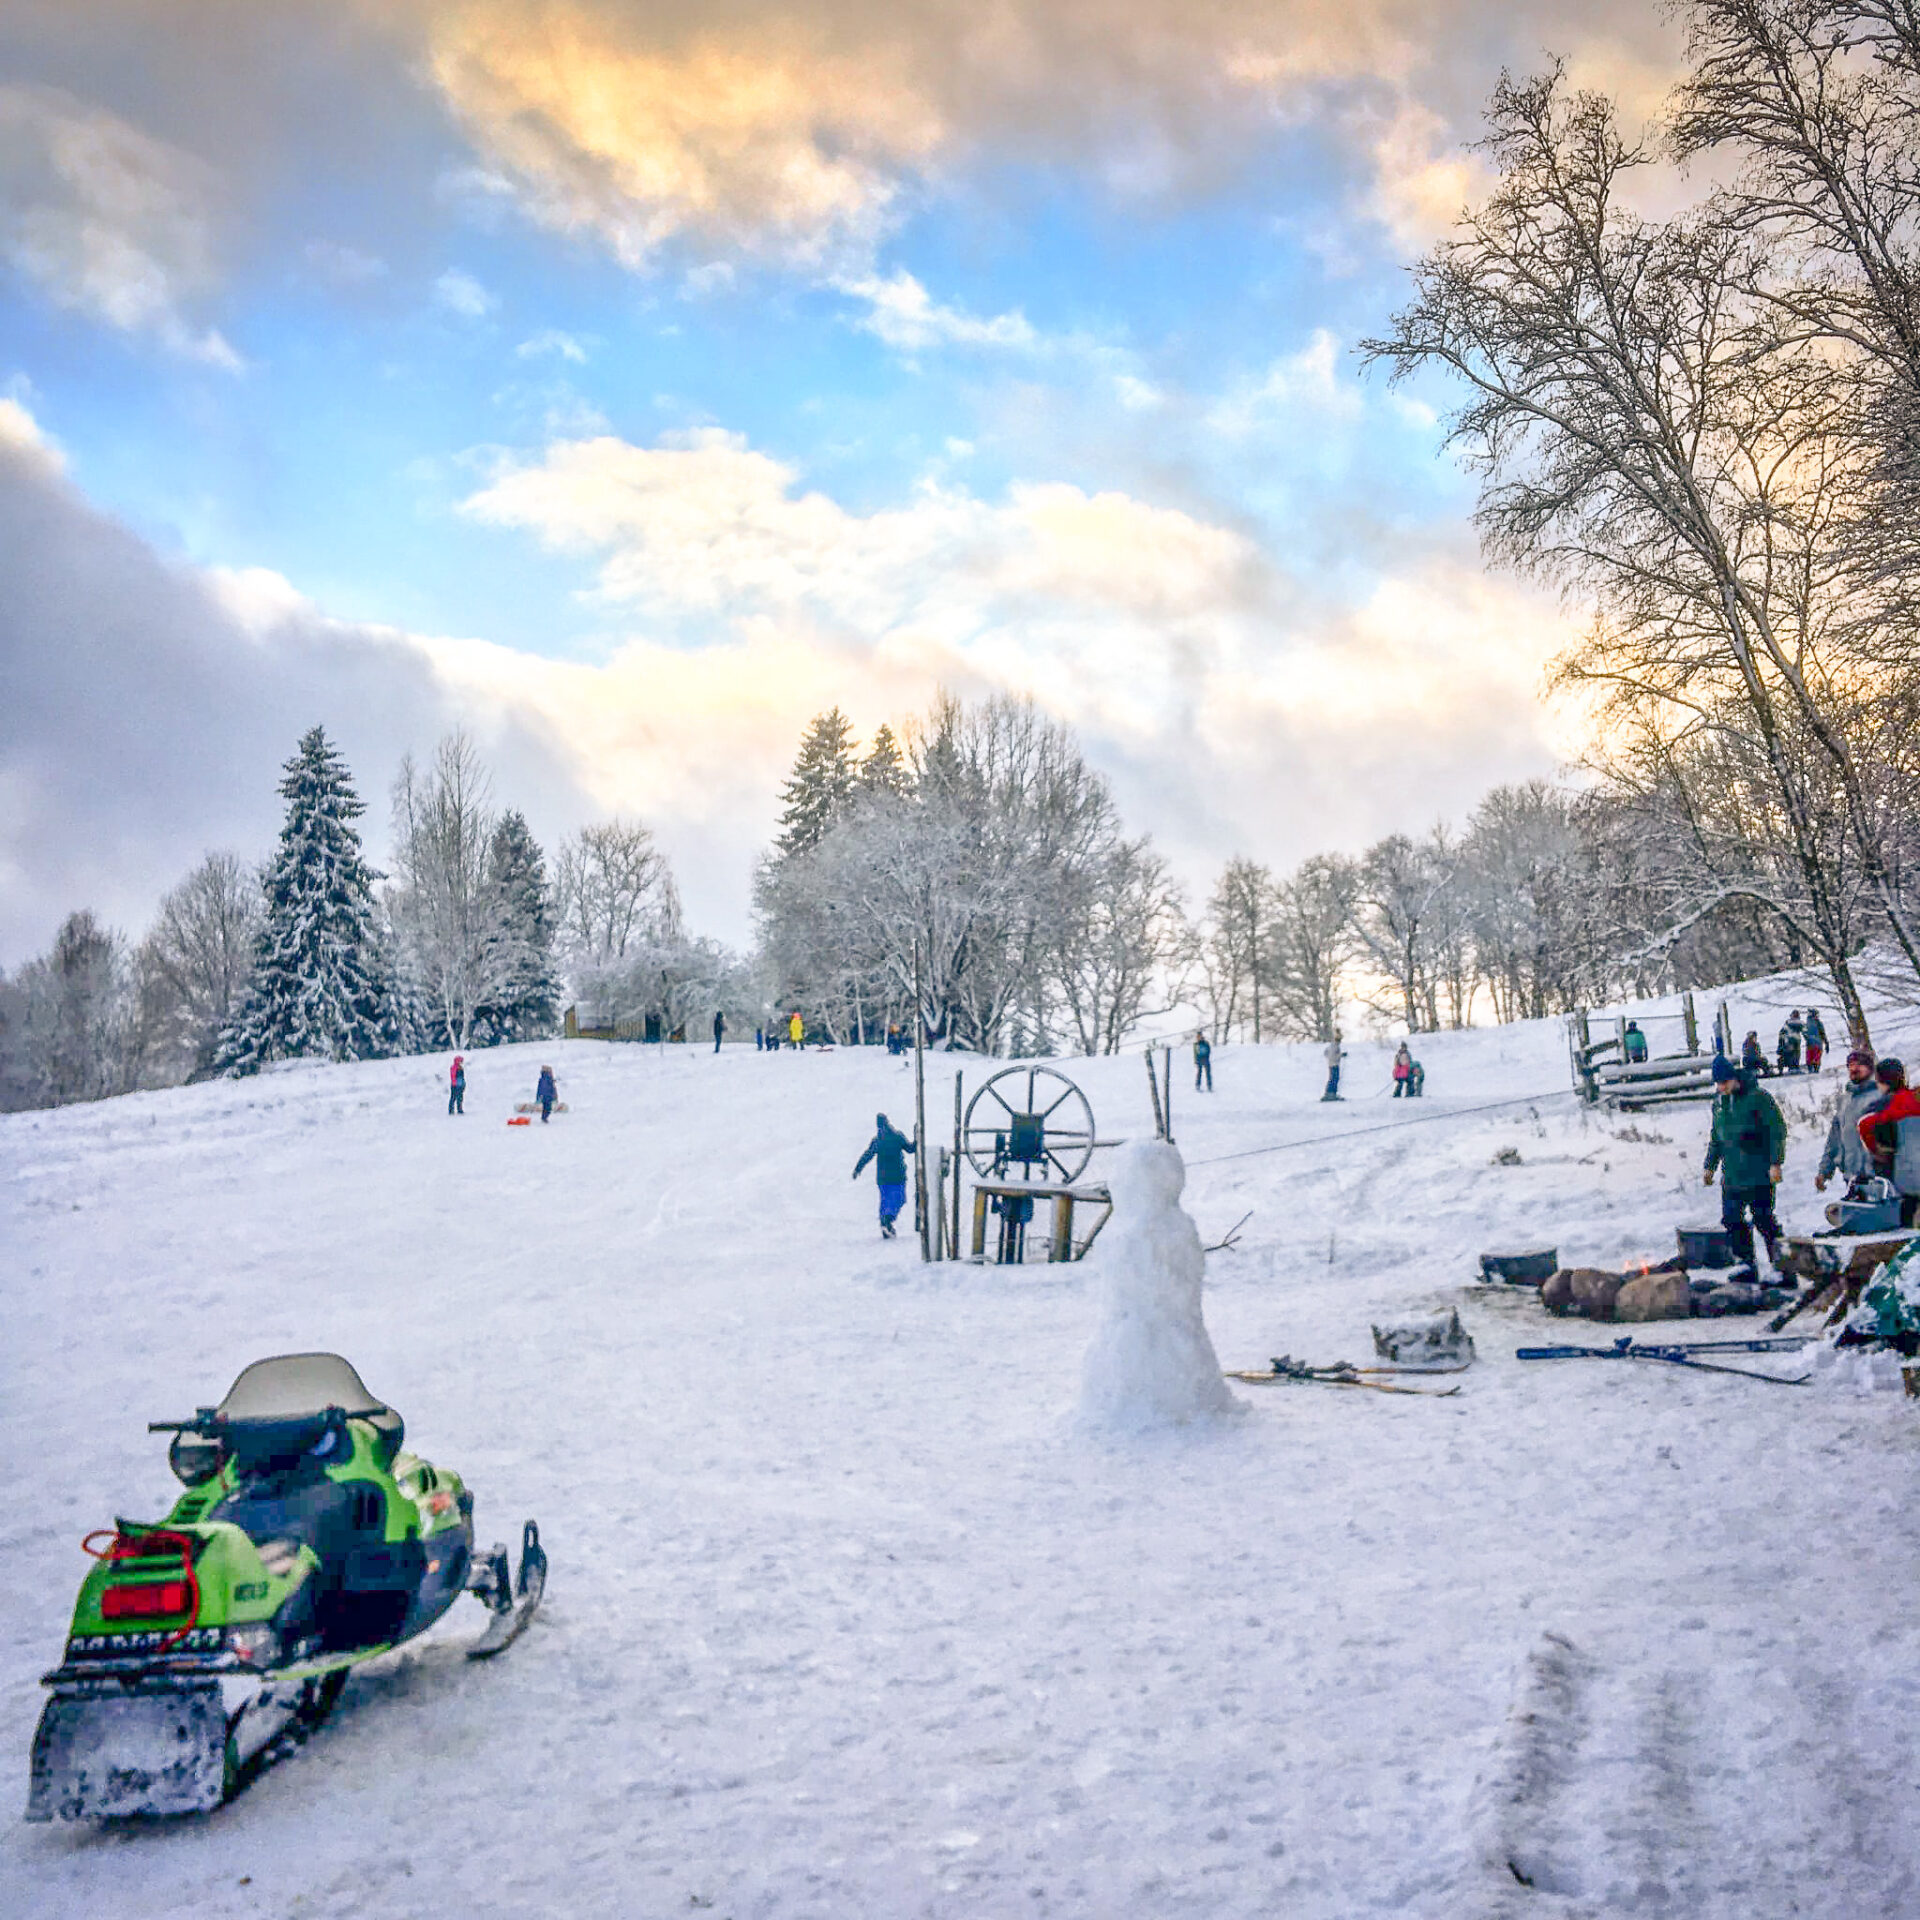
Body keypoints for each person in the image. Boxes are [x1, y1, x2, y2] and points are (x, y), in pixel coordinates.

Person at [1703, 1054, 1788, 1272]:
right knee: (1731, 1220)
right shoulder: (1719, 1103)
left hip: (1758, 1172)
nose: (1721, 1087)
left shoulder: (1758, 1098)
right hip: (1732, 1175)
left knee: (1764, 1220)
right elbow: (1716, 1137)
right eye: (1718, 1083)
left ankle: (1783, 1267)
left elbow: (1776, 1131)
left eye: (1724, 1082)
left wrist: (1775, 1163)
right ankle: (1745, 1266)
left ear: (1733, 1078)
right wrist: (1710, 1166)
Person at [1817, 1048, 1888, 1196]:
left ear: (1870, 1068)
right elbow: (1834, 1139)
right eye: (1850, 1065)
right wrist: (1824, 1171)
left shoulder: (1881, 1097)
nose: (1854, 1068)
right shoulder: (1846, 1100)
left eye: (1859, 1064)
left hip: (1878, 1178)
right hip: (1851, 1178)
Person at [1859, 1059, 1920, 1228]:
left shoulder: (1884, 1106)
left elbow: (1864, 1125)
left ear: (1881, 1081)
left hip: (1905, 1178)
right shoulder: (1914, 1096)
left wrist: (1877, 1151)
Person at [852, 1112, 916, 1238]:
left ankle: (885, 1222)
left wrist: (858, 1169)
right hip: (898, 1176)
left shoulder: (877, 1141)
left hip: (883, 1178)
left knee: (885, 1200)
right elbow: (910, 1149)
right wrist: (917, 1138)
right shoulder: (897, 1137)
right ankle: (888, 1220)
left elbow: (867, 1155)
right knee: (899, 1199)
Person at [1322, 1031, 1344, 1102]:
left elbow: (1325, 1053)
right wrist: (1341, 1055)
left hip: (1332, 1064)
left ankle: (1332, 1093)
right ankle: (1330, 1093)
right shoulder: (1335, 1046)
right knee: (1334, 1079)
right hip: (1334, 1064)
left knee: (1334, 1078)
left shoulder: (1332, 1045)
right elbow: (1333, 1056)